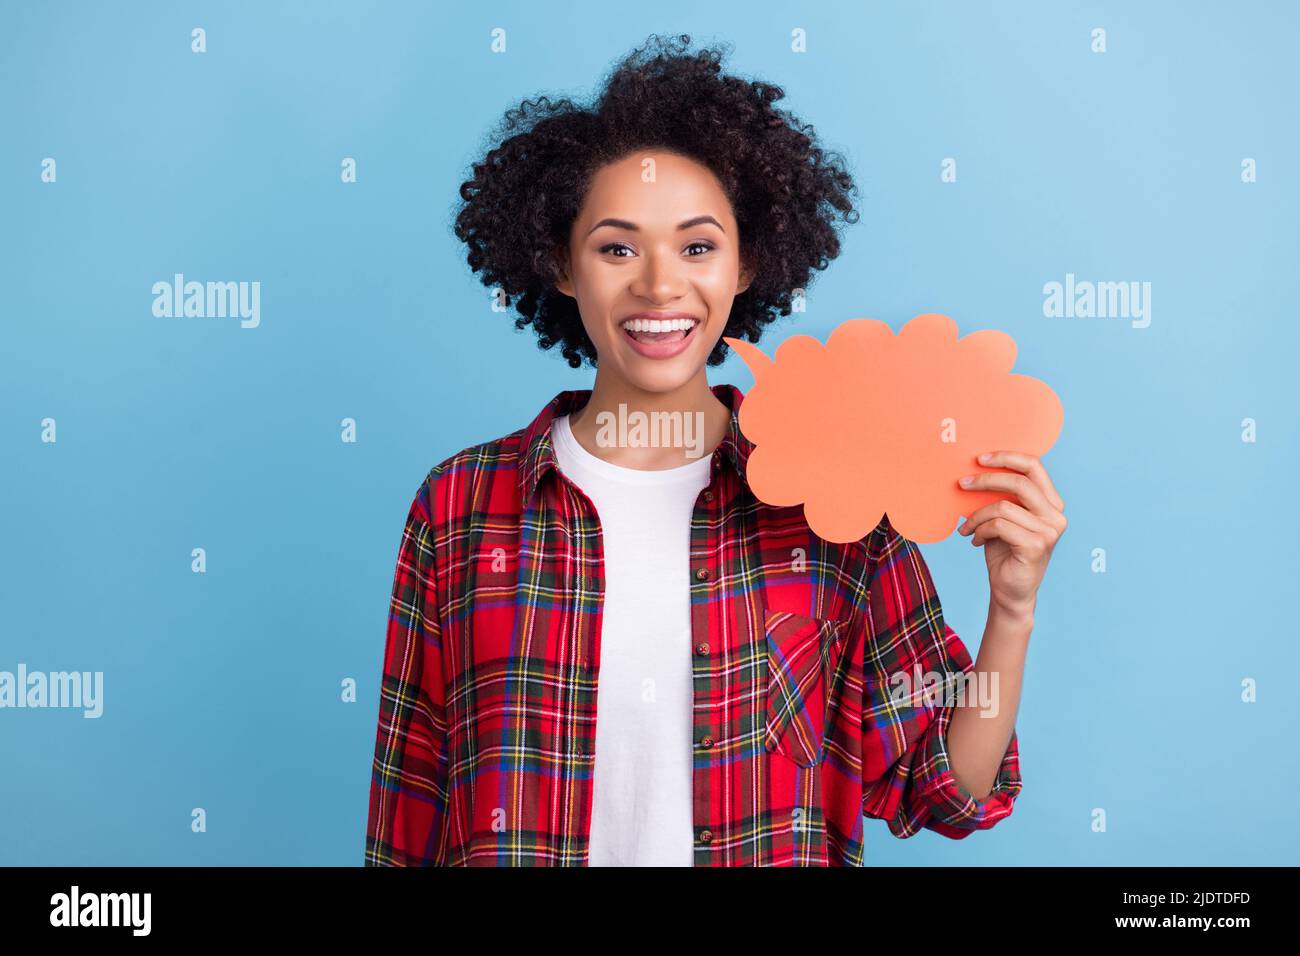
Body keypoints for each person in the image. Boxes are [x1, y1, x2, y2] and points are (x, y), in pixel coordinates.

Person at [365, 33, 1065, 866]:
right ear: (560, 263)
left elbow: (943, 787)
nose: (660, 286)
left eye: (697, 247)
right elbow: (407, 808)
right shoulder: (459, 506)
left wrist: (1013, 607)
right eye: (617, 247)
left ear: (746, 265)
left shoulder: (831, 498)